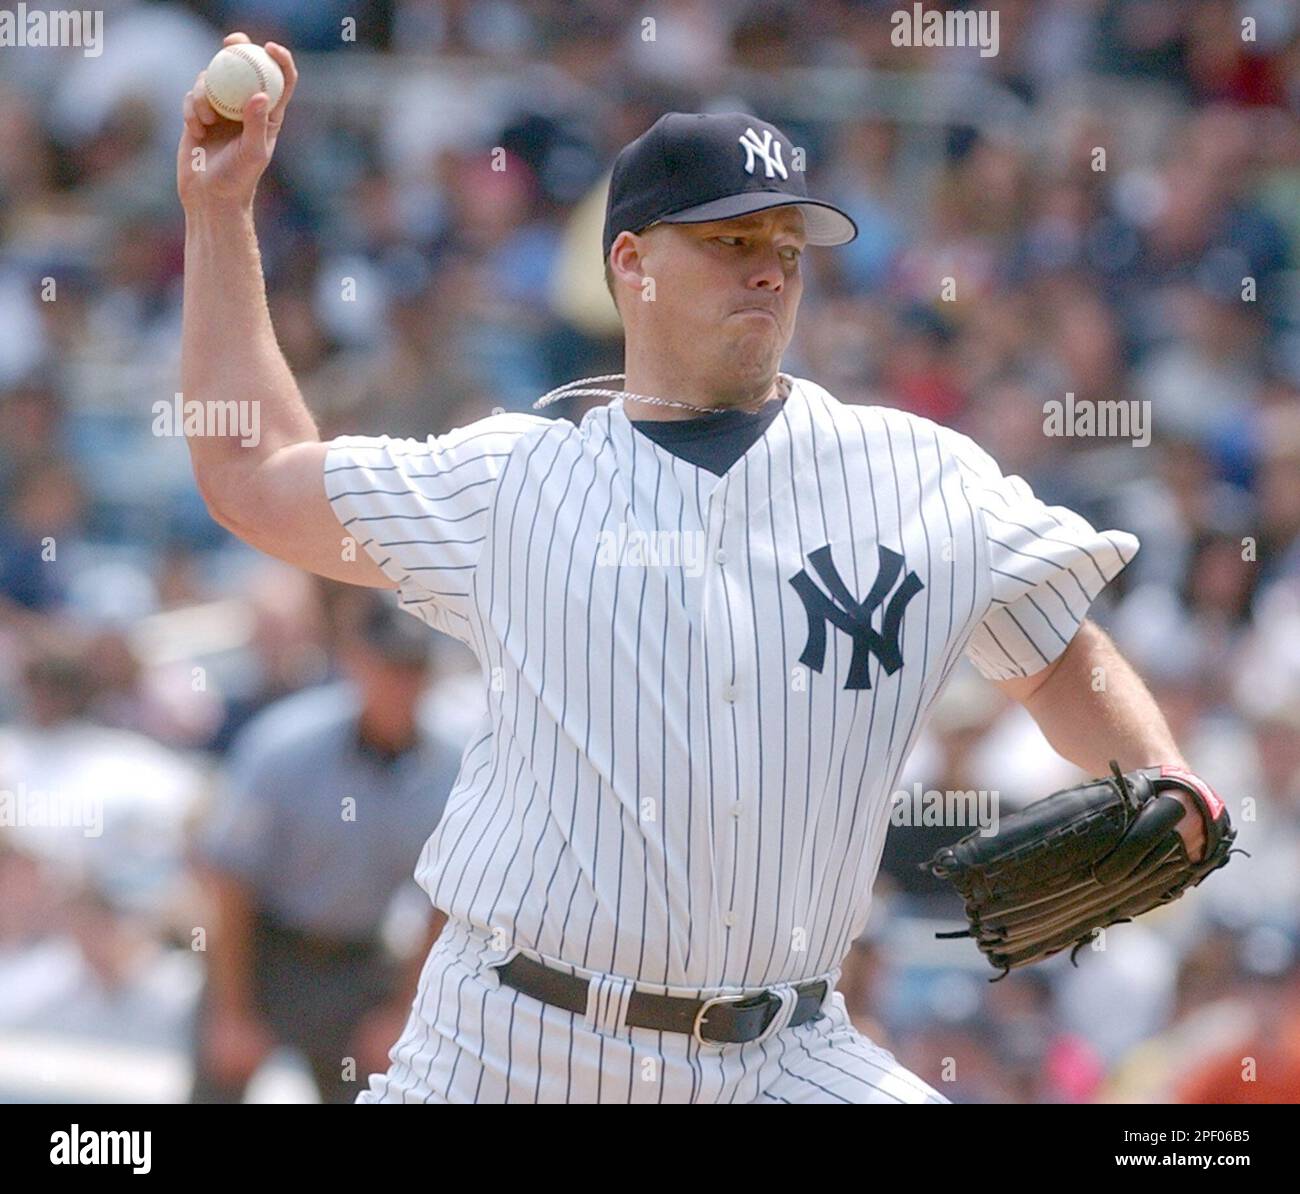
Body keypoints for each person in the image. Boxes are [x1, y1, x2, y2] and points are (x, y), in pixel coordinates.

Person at [177, 34, 1213, 1104]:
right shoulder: (512, 480)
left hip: (782, 1051)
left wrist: (1161, 772)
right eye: (728, 237)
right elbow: (252, 475)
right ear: (631, 262)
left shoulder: (921, 476)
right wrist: (220, 211)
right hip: (507, 1049)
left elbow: (1051, 653)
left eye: (788, 244)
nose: (768, 262)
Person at [188, 590, 458, 1102]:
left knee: (383, 1088)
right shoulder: (285, 744)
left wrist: (404, 1012)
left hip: (358, 965)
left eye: (415, 670)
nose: (403, 685)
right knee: (215, 1087)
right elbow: (227, 881)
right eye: (391, 668)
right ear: (356, 664)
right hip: (261, 953)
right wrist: (232, 1012)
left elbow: (445, 903)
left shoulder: (449, 767)